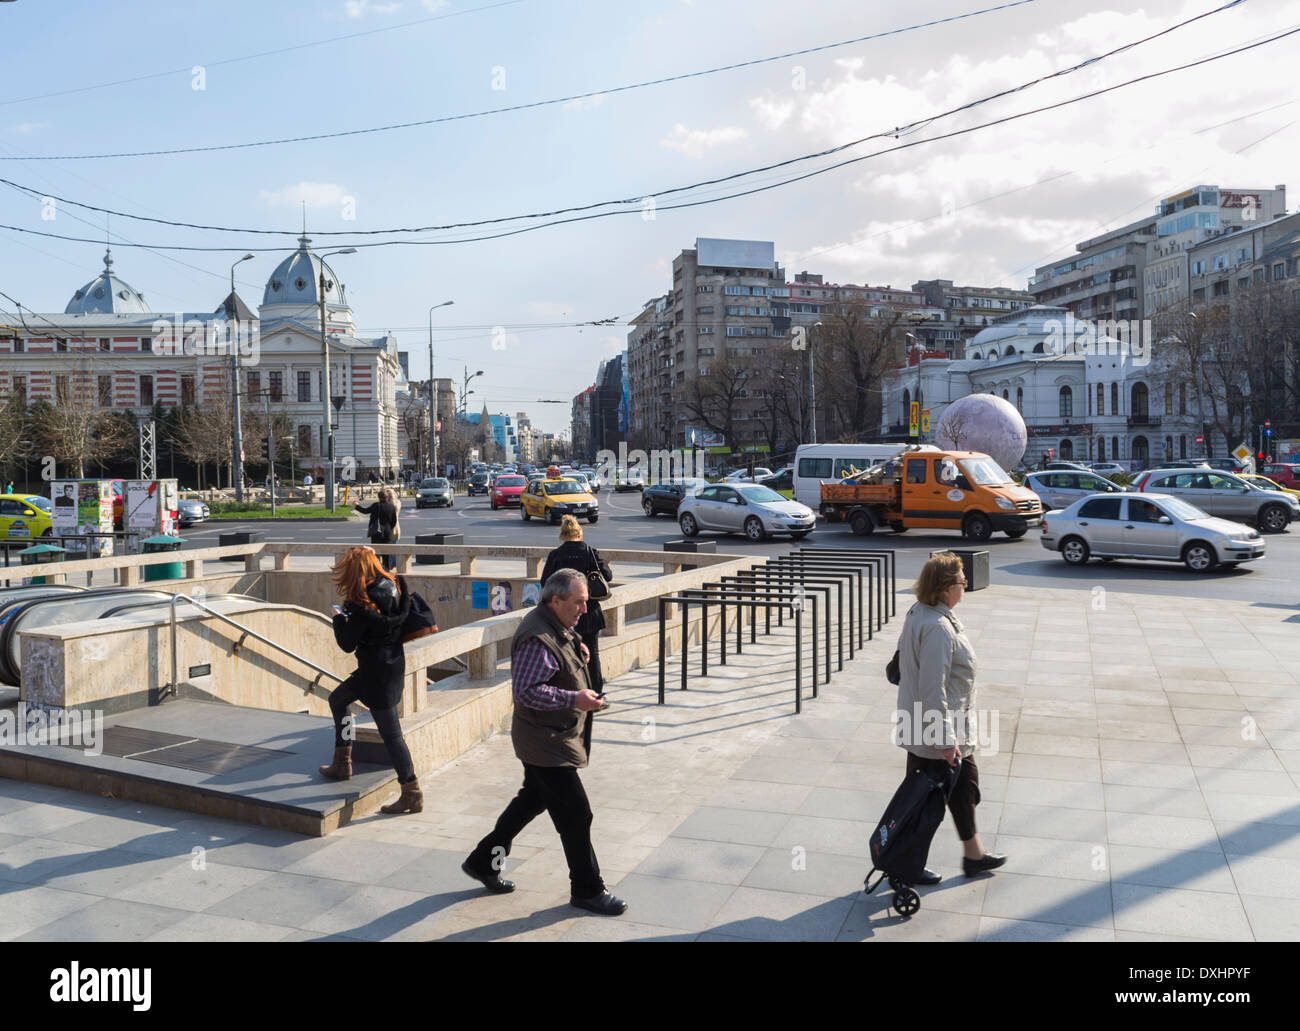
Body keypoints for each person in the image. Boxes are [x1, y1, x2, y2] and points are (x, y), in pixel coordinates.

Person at [463, 568, 626, 916]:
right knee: (577, 814)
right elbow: (526, 692)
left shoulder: (555, 625)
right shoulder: (538, 636)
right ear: (556, 600)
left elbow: (556, 656)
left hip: (550, 736)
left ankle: (483, 861)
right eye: (578, 602)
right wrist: (574, 698)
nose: (584, 609)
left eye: (585, 602)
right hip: (545, 742)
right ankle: (587, 889)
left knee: (531, 800)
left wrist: (575, 647)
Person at [894, 552, 1005, 882]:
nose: (965, 584)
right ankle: (905, 866)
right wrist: (944, 741)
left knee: (965, 789)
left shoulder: (921, 612)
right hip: (937, 732)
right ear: (944, 588)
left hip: (942, 728)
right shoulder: (938, 628)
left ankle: (974, 855)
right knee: (924, 805)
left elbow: (903, 657)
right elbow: (933, 688)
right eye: (960, 580)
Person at [319, 547, 422, 814]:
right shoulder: (393, 586)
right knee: (338, 700)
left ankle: (411, 790)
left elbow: (346, 644)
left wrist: (338, 619)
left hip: (375, 673)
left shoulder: (361, 603)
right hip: (389, 664)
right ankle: (343, 761)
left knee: (392, 734)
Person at [540, 515, 612, 702]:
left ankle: (575, 693)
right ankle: (596, 694)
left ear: (562, 534)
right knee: (593, 654)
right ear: (579, 532)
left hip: (564, 615)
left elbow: (544, 582)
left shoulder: (556, 555)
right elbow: (607, 576)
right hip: (589, 612)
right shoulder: (589, 551)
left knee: (568, 655)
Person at [354, 488, 399, 571]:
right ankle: (387, 572)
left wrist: (357, 505)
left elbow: (365, 511)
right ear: (386, 497)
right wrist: (388, 529)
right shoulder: (391, 507)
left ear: (379, 497)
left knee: (376, 555)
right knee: (386, 556)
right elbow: (394, 521)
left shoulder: (375, 505)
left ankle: (377, 572)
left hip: (376, 534)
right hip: (387, 534)